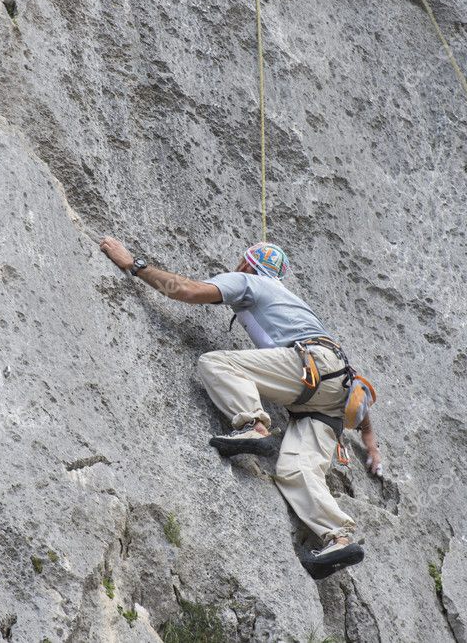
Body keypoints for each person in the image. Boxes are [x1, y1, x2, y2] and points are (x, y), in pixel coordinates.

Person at [99, 236, 382, 573]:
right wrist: (370, 443)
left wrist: (134, 264)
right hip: (330, 391)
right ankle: (338, 537)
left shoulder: (249, 280)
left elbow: (187, 291)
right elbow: (350, 386)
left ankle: (252, 425)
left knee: (217, 364)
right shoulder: (294, 305)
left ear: (248, 263)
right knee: (296, 470)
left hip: (310, 368)